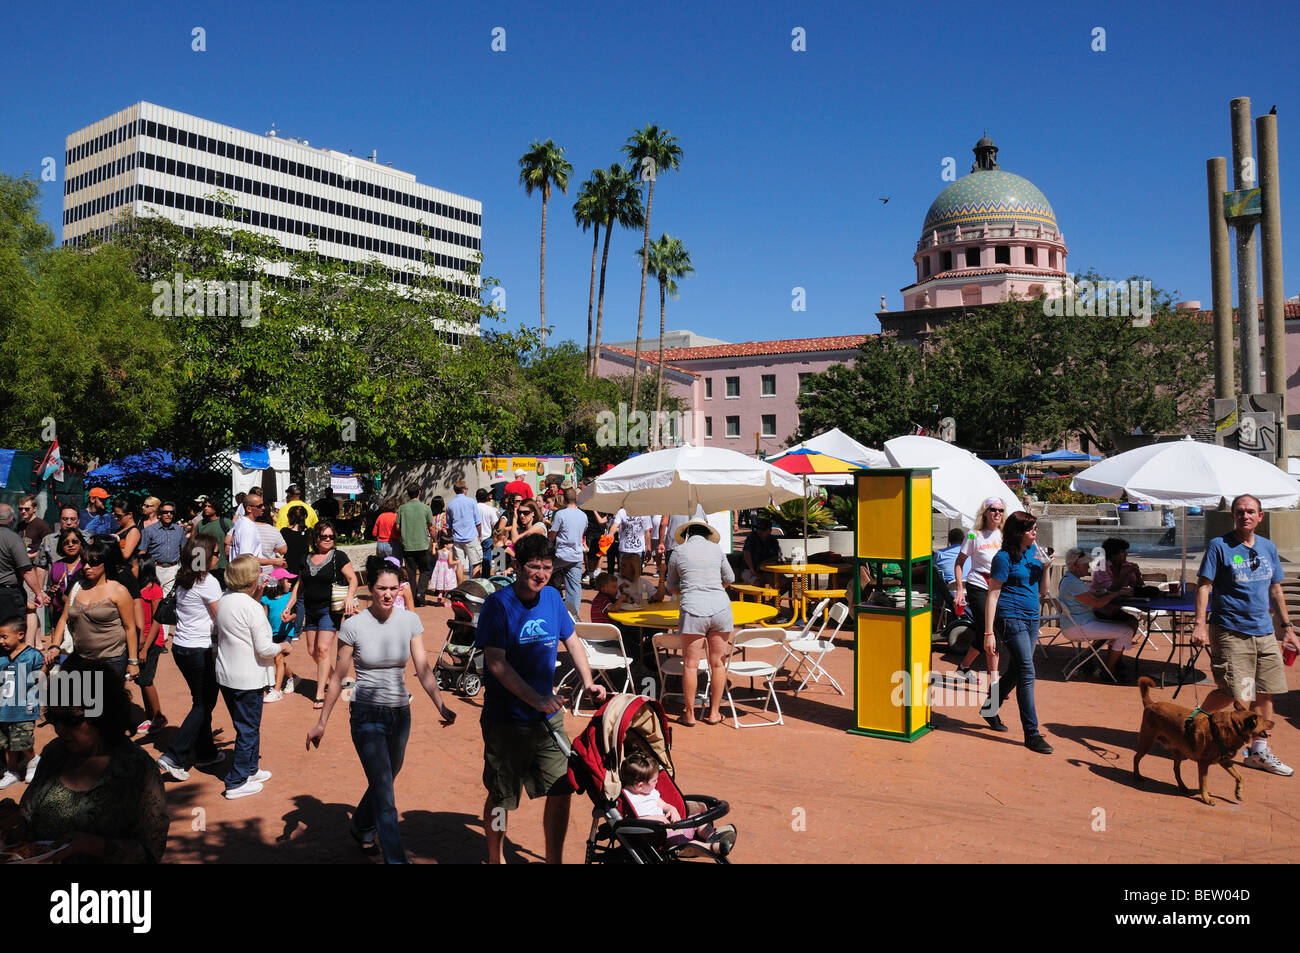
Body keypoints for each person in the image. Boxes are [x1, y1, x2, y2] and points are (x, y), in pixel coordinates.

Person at [307, 556, 457, 862]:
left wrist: (441, 704)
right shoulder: (354, 625)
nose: (388, 595)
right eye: (381, 588)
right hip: (366, 715)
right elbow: (337, 677)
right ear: (370, 589)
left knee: (385, 779)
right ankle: (395, 858)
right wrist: (322, 721)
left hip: (400, 714)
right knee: (386, 797)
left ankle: (361, 825)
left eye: (393, 588)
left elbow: (424, 669)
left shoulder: (410, 621)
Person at [476, 533, 606, 864]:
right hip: (507, 720)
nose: (541, 574)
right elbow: (495, 662)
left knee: (562, 788)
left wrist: (588, 683)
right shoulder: (498, 605)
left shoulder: (551, 597)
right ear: (517, 566)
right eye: (534, 567)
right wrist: (535, 699)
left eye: (547, 568)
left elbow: (573, 642)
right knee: (502, 798)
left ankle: (554, 860)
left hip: (547, 719)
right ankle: (495, 857)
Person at [3, 656, 167, 862]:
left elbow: (151, 851)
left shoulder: (137, 769)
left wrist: (95, 846)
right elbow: (29, 819)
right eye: (54, 719)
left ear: (103, 714)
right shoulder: (55, 753)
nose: (60, 729)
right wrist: (12, 821)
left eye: (70, 720)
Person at [1190, 493, 1300, 777]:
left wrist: (1287, 629)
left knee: (1264, 690)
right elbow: (1204, 586)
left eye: (1251, 512)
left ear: (1260, 517)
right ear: (1233, 516)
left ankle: (1259, 751)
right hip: (1230, 630)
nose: (1245, 516)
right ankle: (1193, 725)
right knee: (1235, 691)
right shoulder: (1220, 546)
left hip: (1263, 631)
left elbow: (1275, 589)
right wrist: (1199, 624)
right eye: (1240, 512)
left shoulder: (1267, 547)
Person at [214, 555, 292, 799]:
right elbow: (265, 648)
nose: (261, 576)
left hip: (227, 674)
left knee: (246, 726)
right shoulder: (252, 607)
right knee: (248, 729)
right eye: (257, 573)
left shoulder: (225, 600)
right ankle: (236, 782)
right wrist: (283, 647)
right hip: (247, 678)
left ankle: (250, 769)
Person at [983, 511, 1052, 754]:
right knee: (1027, 672)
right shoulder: (1003, 558)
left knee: (1017, 669)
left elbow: (1043, 591)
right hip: (1010, 618)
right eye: (1030, 528)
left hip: (1032, 618)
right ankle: (1032, 734)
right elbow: (992, 594)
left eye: (1035, 528)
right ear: (1018, 532)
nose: (1035, 532)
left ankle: (990, 708)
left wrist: (1046, 568)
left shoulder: (1034, 553)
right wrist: (988, 632)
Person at [156, 536, 224, 781]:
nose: (219, 556)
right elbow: (221, 618)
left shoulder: (183, 577)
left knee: (201, 701)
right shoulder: (208, 582)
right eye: (216, 552)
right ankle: (174, 755)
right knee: (203, 704)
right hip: (200, 650)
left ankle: (206, 752)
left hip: (181, 648)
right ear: (205, 556)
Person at [665, 516, 734, 726]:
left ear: (686, 534)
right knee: (718, 663)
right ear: (707, 534)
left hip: (693, 608)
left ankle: (690, 714)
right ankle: (714, 713)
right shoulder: (717, 550)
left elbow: (671, 585)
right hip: (721, 608)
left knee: (691, 664)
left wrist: (687, 589)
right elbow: (729, 578)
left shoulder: (678, 552)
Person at [289, 520, 360, 709]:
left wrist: (350, 597)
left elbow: (353, 579)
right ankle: (339, 679)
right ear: (316, 538)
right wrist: (289, 606)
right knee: (312, 651)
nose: (328, 539)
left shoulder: (339, 556)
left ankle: (320, 693)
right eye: (324, 536)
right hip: (311, 610)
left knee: (322, 649)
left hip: (330, 609)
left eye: (331, 536)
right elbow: (299, 585)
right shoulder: (306, 558)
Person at [46, 540, 137, 681]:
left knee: (107, 702)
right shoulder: (77, 587)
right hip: (81, 658)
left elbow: (130, 628)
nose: (87, 567)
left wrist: (132, 662)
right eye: (84, 562)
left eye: (93, 563)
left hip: (111, 661)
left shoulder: (119, 591)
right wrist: (55, 646)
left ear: (105, 564)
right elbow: (64, 619)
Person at [618, 751, 734, 855]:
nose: (657, 782)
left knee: (697, 818)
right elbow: (633, 821)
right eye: (654, 781)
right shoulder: (628, 798)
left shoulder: (650, 792)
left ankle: (712, 836)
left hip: (675, 825)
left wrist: (672, 809)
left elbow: (663, 805)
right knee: (688, 844)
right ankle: (712, 848)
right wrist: (654, 818)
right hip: (663, 835)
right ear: (640, 785)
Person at [1056, 547, 1138, 680]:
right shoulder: (1073, 583)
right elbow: (1098, 604)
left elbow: (1089, 595)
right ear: (1077, 566)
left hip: (1077, 623)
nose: (1088, 567)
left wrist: (1106, 592)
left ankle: (1103, 663)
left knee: (1121, 626)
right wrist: (1117, 593)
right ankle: (1109, 670)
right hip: (1079, 626)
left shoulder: (1070, 580)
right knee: (1126, 631)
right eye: (1085, 565)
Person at [952, 498, 1005, 685]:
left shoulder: (1004, 535)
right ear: (985, 512)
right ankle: (995, 681)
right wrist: (960, 590)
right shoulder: (974, 535)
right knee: (991, 630)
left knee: (984, 630)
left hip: (998, 585)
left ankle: (964, 667)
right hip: (978, 584)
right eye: (993, 509)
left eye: (1000, 510)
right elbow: (959, 563)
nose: (997, 513)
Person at [0, 615, 43, 789]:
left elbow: (39, 679)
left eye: (4, 637)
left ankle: (33, 761)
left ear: (20, 634)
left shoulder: (33, 656)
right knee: (7, 742)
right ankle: (12, 772)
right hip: (4, 707)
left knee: (22, 739)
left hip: (24, 707)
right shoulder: (2, 657)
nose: (1, 641)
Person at [132, 556, 169, 735]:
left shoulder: (155, 590)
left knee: (146, 679)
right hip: (139, 641)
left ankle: (158, 717)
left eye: (133, 566)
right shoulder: (135, 588)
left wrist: (145, 647)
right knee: (141, 680)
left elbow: (157, 620)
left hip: (152, 641)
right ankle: (150, 716)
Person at [0, 506, 49, 624]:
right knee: (12, 631)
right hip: (8, 595)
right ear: (11, 519)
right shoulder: (12, 538)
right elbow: (26, 570)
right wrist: (39, 593)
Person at [548, 488, 589, 617]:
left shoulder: (561, 514)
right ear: (576, 499)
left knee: (544, 574)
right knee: (574, 588)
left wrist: (548, 542)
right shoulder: (583, 515)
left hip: (562, 554)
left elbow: (553, 534)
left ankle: (546, 605)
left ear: (564, 500)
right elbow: (582, 532)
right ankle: (573, 616)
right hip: (576, 555)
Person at [394, 485, 435, 607]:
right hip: (422, 544)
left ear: (408, 493)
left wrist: (404, 533)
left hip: (408, 545)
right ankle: (420, 594)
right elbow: (431, 527)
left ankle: (412, 596)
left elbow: (397, 527)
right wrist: (434, 540)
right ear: (420, 492)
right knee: (425, 570)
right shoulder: (425, 508)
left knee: (411, 572)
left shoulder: (402, 508)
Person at [140, 500, 187, 603]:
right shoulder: (149, 531)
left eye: (171, 512)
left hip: (173, 570)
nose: (169, 514)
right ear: (160, 514)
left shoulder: (179, 531)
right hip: (155, 569)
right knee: (154, 601)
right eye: (165, 512)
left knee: (169, 602)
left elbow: (185, 550)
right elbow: (142, 552)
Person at [262, 568, 299, 700]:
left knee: (278, 658)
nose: (290, 584)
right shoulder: (266, 599)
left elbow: (295, 613)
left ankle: (277, 690)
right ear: (279, 582)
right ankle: (292, 678)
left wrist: (290, 618)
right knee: (277, 659)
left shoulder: (290, 597)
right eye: (288, 581)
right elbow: (264, 617)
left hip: (286, 633)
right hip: (272, 634)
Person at [1090, 537, 1145, 622]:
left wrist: (1137, 574)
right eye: (1122, 552)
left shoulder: (1125, 565)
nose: (1126, 554)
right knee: (1126, 623)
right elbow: (1111, 590)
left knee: (1132, 621)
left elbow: (1139, 588)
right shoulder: (1101, 566)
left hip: (1114, 608)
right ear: (1112, 555)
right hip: (1099, 609)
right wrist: (1123, 574)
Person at [45, 529, 85, 626]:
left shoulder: (87, 564)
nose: (70, 545)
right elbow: (52, 601)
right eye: (66, 542)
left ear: (81, 543)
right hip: (60, 615)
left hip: (82, 615)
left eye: (74, 541)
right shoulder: (56, 566)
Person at [445, 480, 483, 579]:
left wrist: (451, 537)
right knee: (476, 564)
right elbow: (478, 522)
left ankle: (460, 587)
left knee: (459, 565)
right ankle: (475, 588)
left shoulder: (450, 505)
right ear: (464, 490)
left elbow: (449, 526)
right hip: (471, 537)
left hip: (457, 538)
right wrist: (480, 535)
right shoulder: (471, 501)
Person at [193, 497, 233, 589]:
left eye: (209, 506)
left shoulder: (225, 523)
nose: (206, 508)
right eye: (205, 506)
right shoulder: (200, 524)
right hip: (204, 566)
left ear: (216, 508)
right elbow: (196, 544)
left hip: (223, 566)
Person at [38, 505, 84, 570]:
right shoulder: (48, 540)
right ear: (60, 520)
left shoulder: (88, 538)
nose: (68, 523)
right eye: (65, 519)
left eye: (72, 519)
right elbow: (41, 567)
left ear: (78, 521)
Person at [740, 517, 781, 587]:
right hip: (748, 569)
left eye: (763, 529)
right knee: (757, 583)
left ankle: (774, 598)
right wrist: (752, 569)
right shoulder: (752, 537)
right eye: (758, 528)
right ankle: (760, 598)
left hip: (766, 571)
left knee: (784, 584)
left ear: (770, 530)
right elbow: (746, 552)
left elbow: (775, 557)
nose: (760, 531)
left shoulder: (773, 540)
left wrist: (763, 563)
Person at [428, 530, 461, 606]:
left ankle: (439, 597)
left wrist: (433, 546)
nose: (452, 545)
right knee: (447, 586)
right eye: (450, 543)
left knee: (441, 585)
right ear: (446, 545)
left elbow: (433, 553)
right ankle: (446, 602)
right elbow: (450, 562)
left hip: (440, 569)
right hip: (447, 570)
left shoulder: (439, 551)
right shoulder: (449, 552)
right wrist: (457, 561)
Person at [111, 498, 143, 574]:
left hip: (126, 572)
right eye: (114, 514)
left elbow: (125, 555)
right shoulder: (120, 529)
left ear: (130, 515)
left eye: (119, 516)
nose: (116, 518)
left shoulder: (134, 531)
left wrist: (114, 542)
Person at [476, 488, 498, 576]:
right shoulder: (490, 509)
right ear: (486, 497)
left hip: (474, 538)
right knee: (486, 561)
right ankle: (485, 581)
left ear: (476, 497)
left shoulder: (473, 508)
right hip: (487, 537)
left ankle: (472, 580)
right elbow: (494, 523)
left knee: (474, 562)